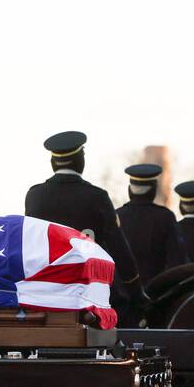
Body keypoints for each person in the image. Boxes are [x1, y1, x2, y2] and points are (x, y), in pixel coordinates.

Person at [24, 131, 144, 325]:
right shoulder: (97, 197)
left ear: (54, 162)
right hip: (89, 294)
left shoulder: (35, 196)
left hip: (45, 293)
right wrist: (136, 292)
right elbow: (119, 251)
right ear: (80, 160)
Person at [115, 163, 186, 284]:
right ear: (153, 189)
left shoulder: (116, 215)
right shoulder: (165, 217)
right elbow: (177, 259)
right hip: (156, 292)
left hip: (122, 292)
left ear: (129, 189)